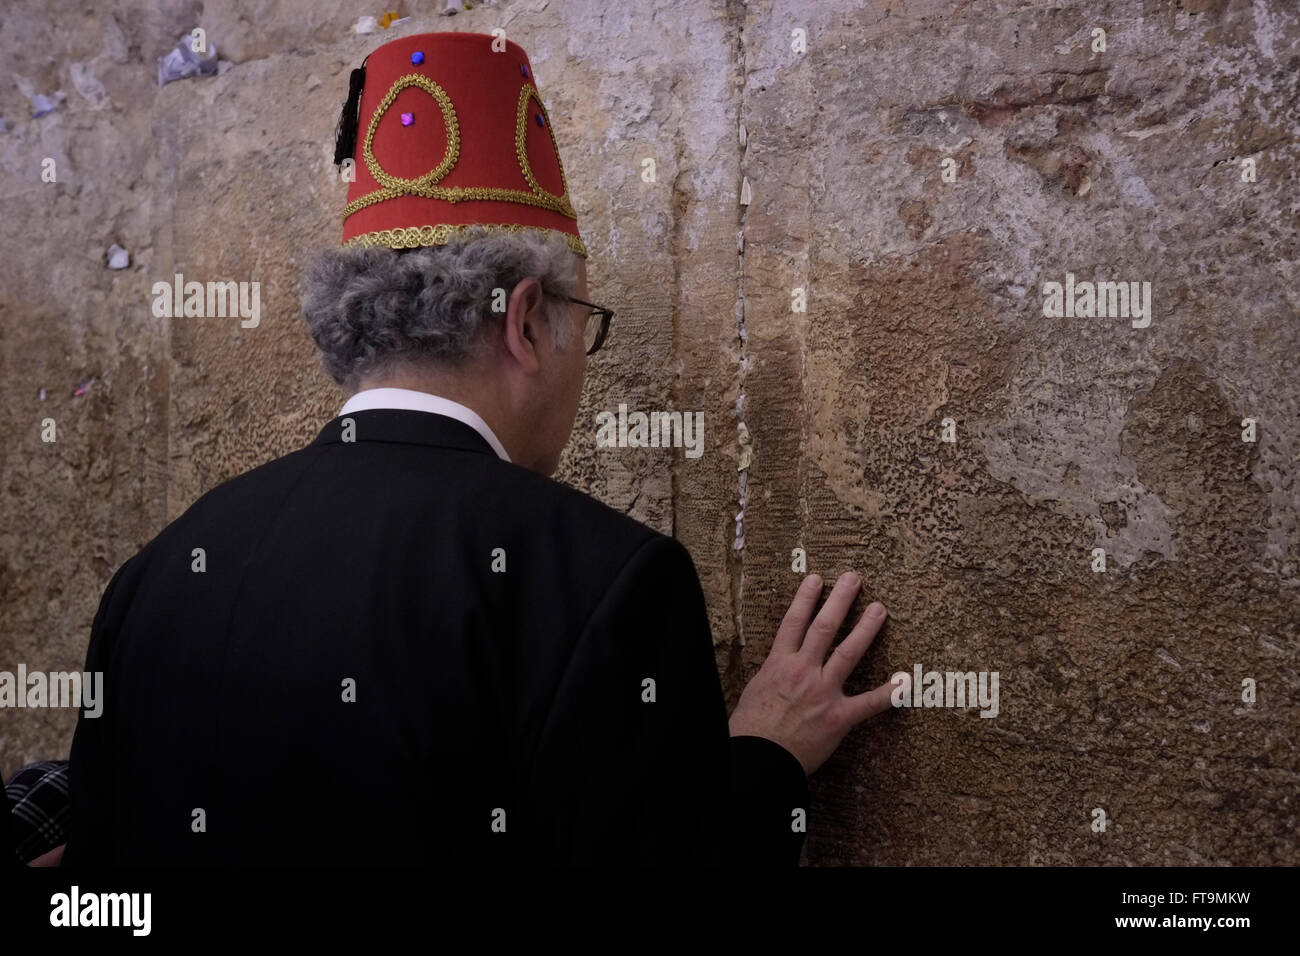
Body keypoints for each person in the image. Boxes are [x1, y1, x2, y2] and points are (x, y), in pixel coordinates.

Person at [61, 30, 898, 866]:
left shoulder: (160, 573)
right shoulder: (608, 580)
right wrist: (762, 760)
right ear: (526, 320)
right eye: (584, 326)